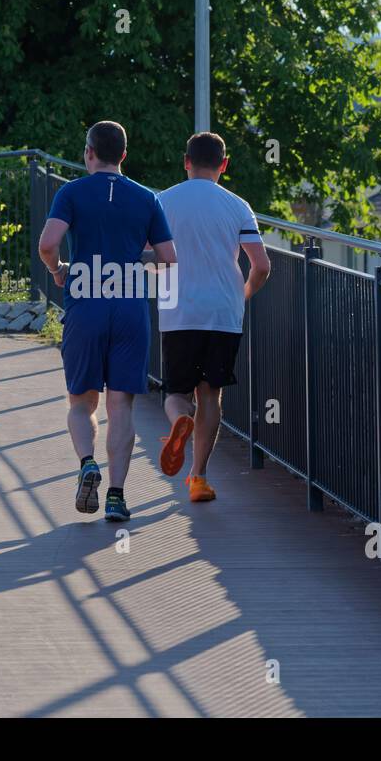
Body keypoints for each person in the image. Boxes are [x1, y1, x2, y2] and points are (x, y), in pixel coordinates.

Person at [37, 121, 177, 522]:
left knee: (81, 403)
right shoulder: (147, 198)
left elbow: (47, 244)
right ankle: (116, 496)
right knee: (121, 405)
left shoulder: (72, 193)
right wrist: (139, 259)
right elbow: (169, 259)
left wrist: (58, 269)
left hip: (86, 304)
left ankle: (87, 465)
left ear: (88, 153)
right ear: (124, 156)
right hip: (130, 308)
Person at [155, 132, 271, 502]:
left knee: (175, 392)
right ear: (224, 165)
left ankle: (178, 423)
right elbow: (262, 265)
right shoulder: (238, 206)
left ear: (185, 161)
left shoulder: (160, 202)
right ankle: (199, 479)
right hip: (223, 311)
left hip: (179, 310)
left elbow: (147, 257)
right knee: (210, 393)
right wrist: (243, 296)